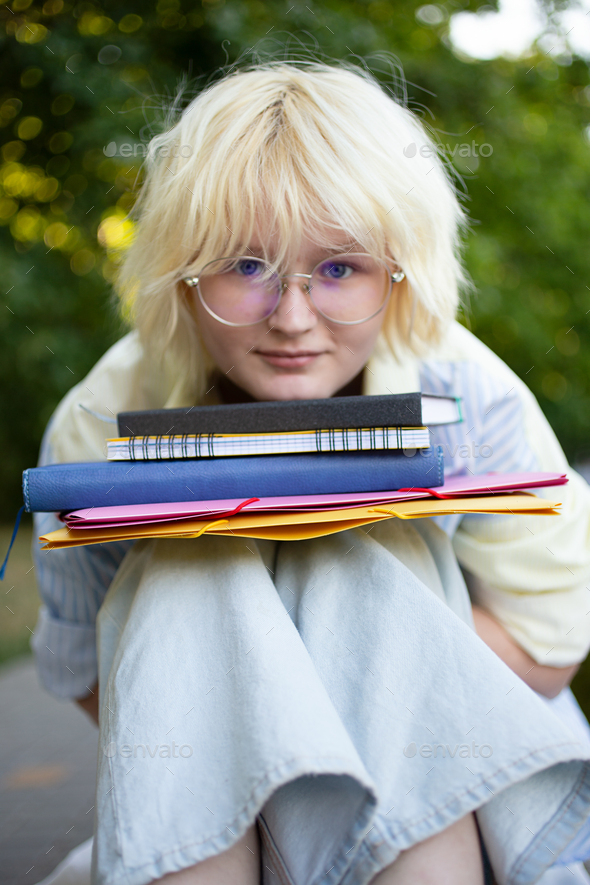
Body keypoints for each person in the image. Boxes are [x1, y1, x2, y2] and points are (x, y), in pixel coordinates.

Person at [30, 61, 590, 885]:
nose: (292, 320)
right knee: (196, 565)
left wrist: (337, 664)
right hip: (213, 789)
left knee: (357, 561)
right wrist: (267, 720)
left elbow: (548, 639)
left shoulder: (469, 396)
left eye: (339, 269)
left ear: (399, 272)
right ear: (184, 272)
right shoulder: (99, 420)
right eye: (247, 267)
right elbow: (87, 668)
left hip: (467, 768)